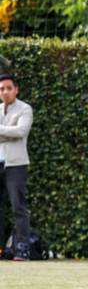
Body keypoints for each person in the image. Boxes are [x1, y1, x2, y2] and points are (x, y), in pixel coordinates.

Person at [0, 72, 33, 262]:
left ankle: (22, 249)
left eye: (8, 88)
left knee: (18, 207)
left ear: (16, 89)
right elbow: (12, 133)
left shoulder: (25, 109)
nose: (5, 92)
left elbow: (21, 131)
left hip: (16, 164)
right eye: (1, 89)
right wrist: (8, 133)